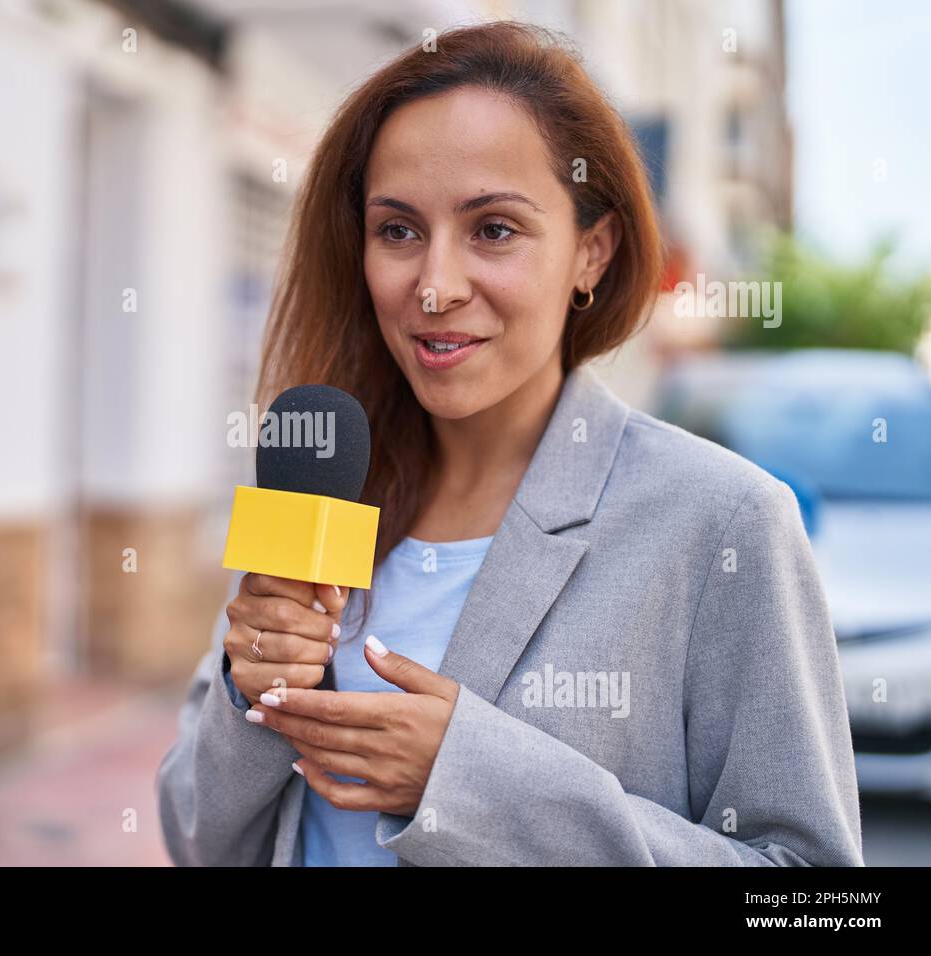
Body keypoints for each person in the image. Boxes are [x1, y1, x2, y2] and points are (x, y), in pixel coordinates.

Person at [156, 20, 863, 866]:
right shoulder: (327, 490)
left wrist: (467, 784)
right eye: (398, 230)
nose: (436, 286)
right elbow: (195, 837)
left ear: (591, 254)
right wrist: (250, 691)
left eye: (493, 229)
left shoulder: (724, 524)